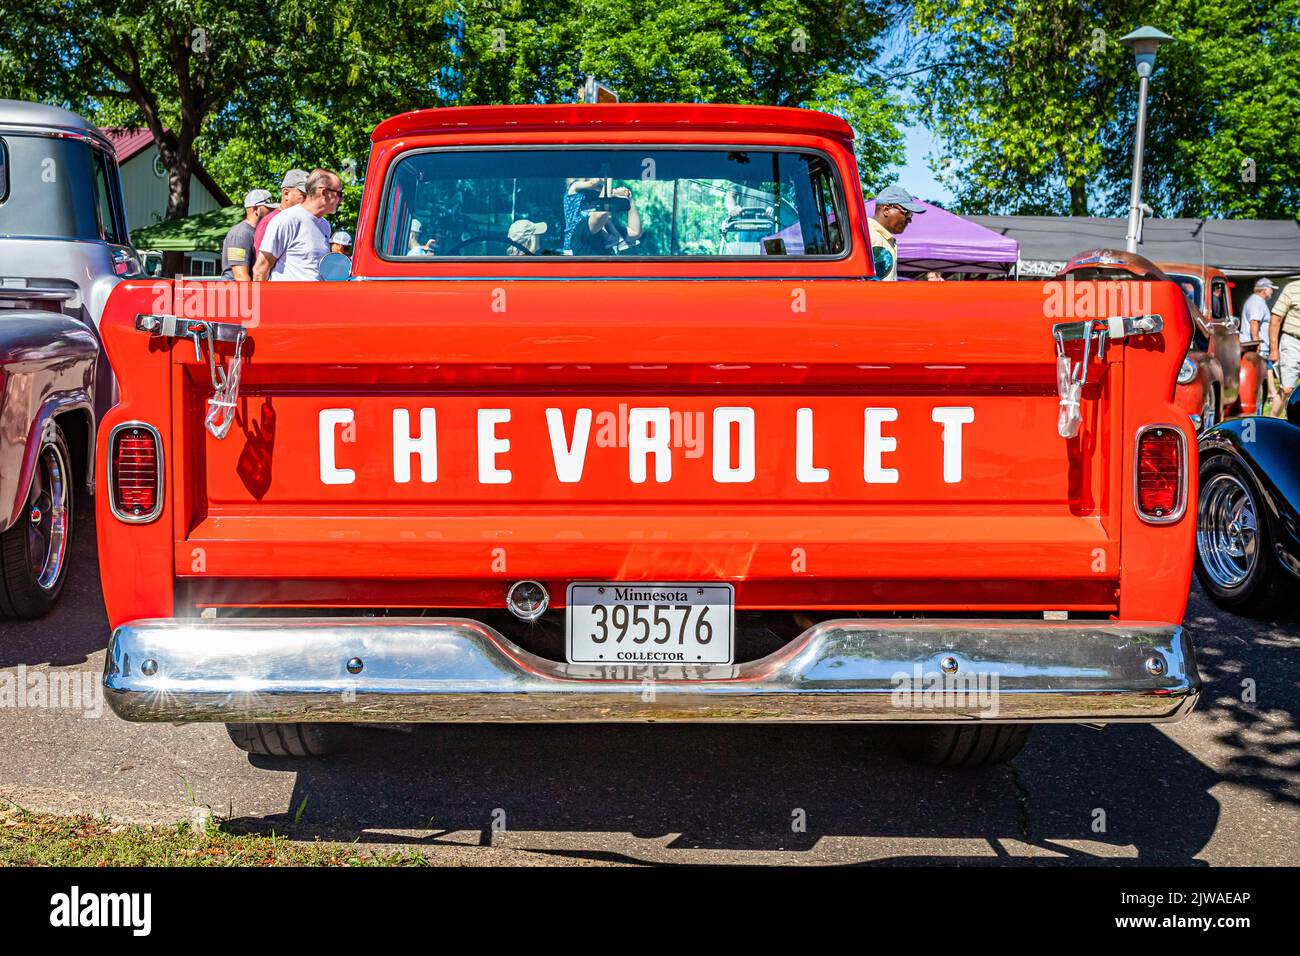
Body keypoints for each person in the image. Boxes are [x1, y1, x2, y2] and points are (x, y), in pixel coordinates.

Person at [253, 168, 342, 280]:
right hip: (286, 297)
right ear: (323, 192)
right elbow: (260, 271)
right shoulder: (286, 220)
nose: (341, 200)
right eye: (339, 194)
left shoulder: (325, 225)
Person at [868, 185, 925, 281]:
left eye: (911, 215)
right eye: (906, 213)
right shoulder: (870, 236)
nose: (910, 219)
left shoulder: (884, 238)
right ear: (886, 210)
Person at [220, 189, 278, 280]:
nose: (272, 212)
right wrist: (256, 294)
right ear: (255, 209)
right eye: (269, 209)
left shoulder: (259, 232)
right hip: (238, 293)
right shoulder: (240, 234)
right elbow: (240, 277)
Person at [252, 169, 309, 256]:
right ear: (286, 194)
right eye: (304, 195)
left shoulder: (303, 220)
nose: (308, 200)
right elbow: (260, 264)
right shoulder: (270, 221)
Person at [1242, 278, 1279, 414]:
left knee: (1267, 368)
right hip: (1257, 345)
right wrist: (1256, 342)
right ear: (1264, 290)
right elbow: (1254, 322)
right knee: (1264, 369)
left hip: (1260, 345)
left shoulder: (1256, 301)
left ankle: (1272, 393)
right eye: (1271, 289)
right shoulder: (1257, 302)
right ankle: (1272, 394)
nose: (1272, 292)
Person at [1268, 278, 1300, 412]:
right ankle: (1273, 423)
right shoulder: (1293, 288)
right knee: (1287, 389)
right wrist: (1274, 349)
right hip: (1293, 341)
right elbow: (1276, 319)